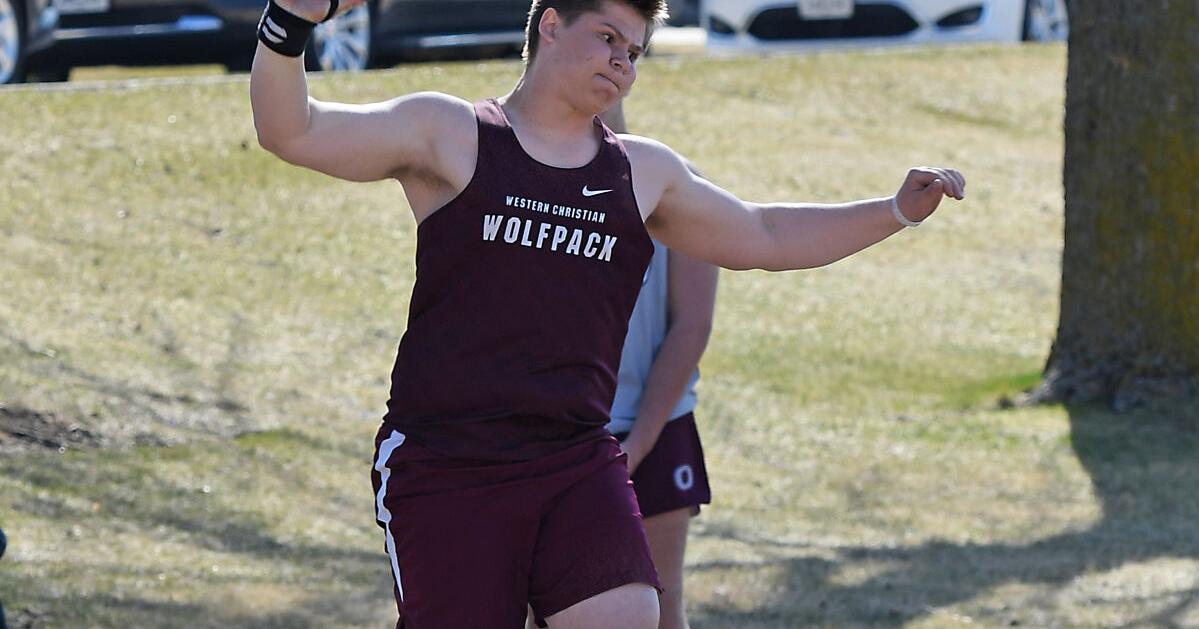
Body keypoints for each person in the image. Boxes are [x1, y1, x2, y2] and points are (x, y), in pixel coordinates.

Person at [249, 0, 966, 626]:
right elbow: (295, 132)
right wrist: (288, 24)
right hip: (446, 462)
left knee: (627, 613)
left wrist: (894, 210)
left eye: (634, 51)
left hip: (573, 455)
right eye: (608, 38)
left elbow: (763, 235)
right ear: (551, 27)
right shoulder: (452, 133)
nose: (622, 61)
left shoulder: (642, 171)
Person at [605, 102, 715, 629]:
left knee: (660, 608)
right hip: (554, 439)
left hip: (657, 428)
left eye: (626, 46)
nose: (611, 61)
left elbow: (691, 325)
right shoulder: (519, 181)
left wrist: (638, 446)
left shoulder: (677, 183)